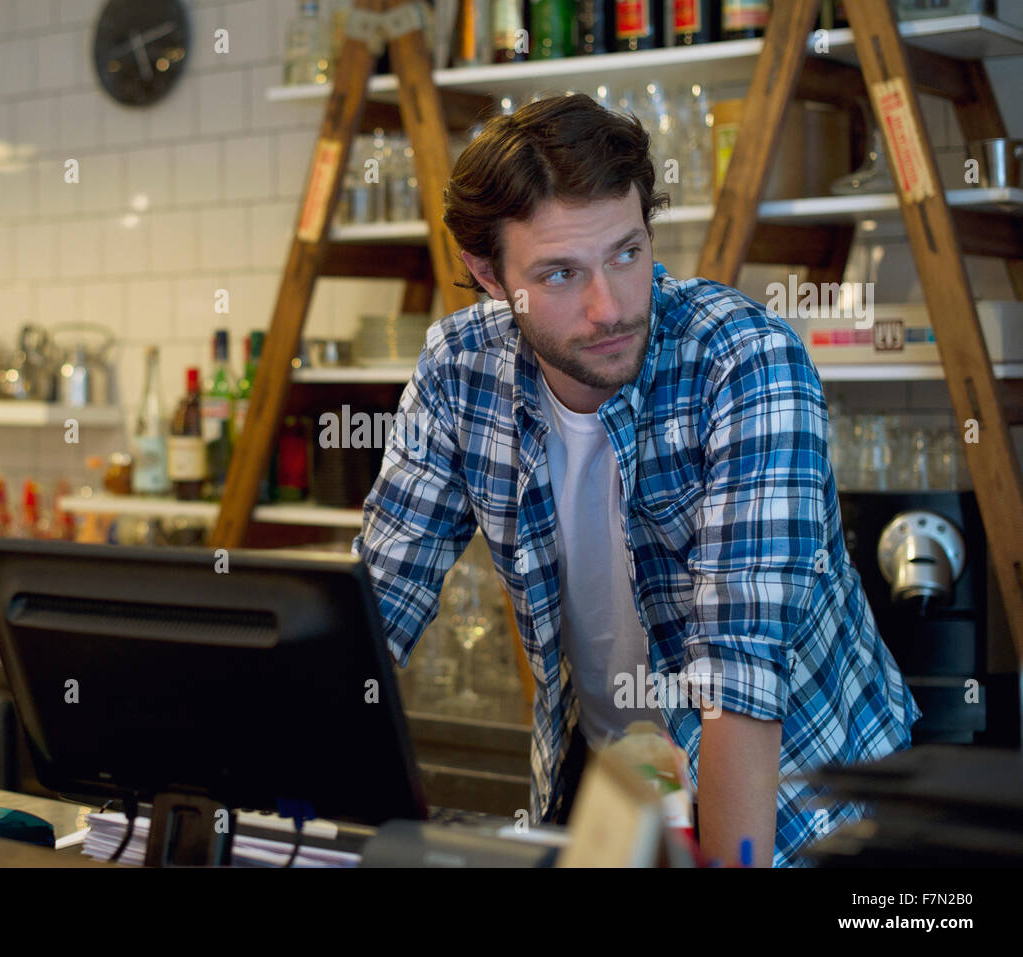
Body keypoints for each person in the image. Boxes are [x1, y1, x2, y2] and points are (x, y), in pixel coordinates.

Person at [351, 93, 921, 867]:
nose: (610, 305)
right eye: (559, 273)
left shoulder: (744, 363)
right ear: (487, 273)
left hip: (814, 809)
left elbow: (742, 684)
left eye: (627, 253)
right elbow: (376, 608)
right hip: (619, 803)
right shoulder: (460, 370)